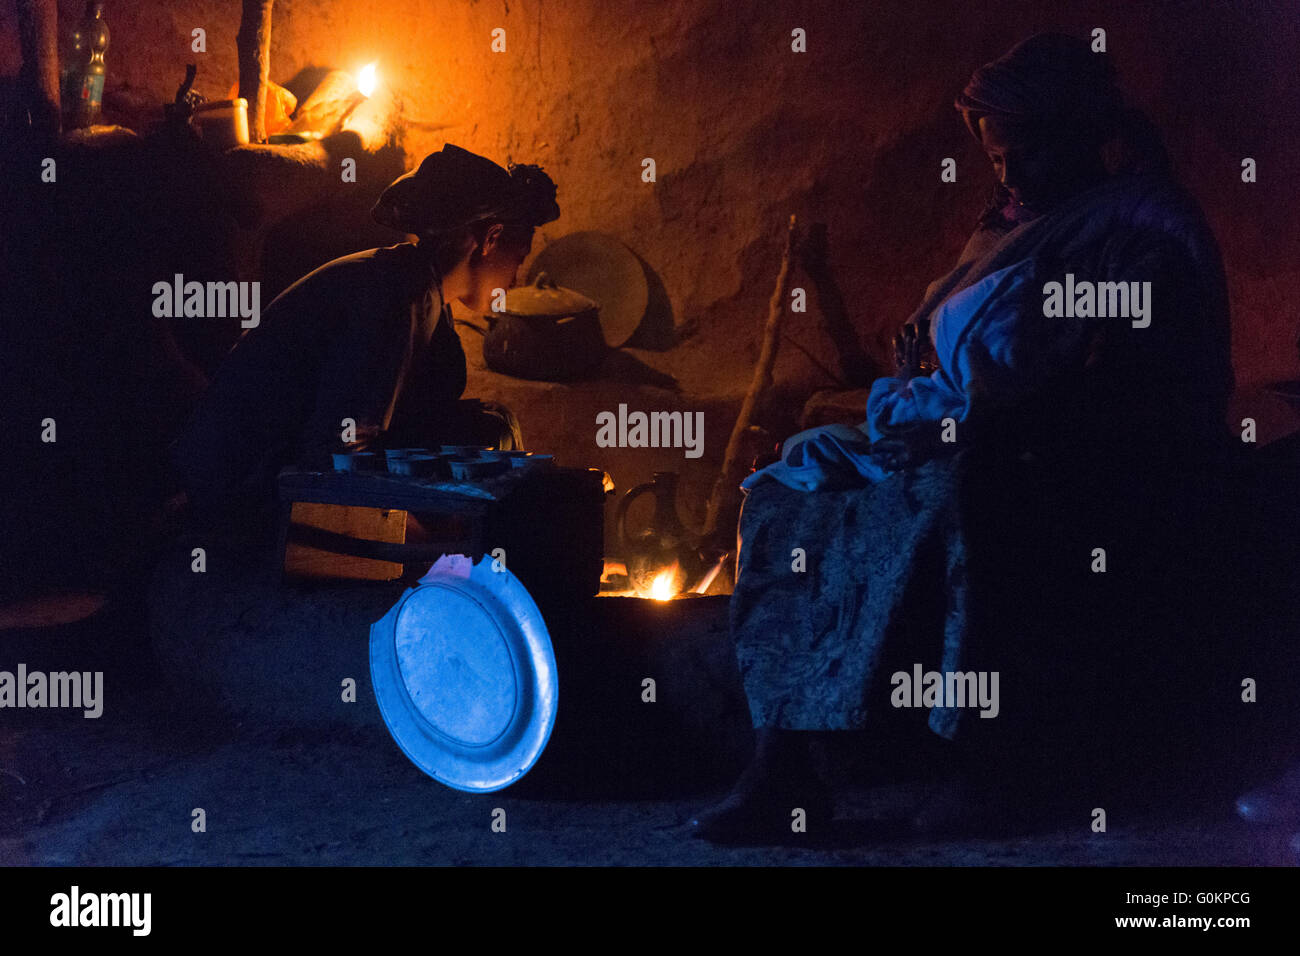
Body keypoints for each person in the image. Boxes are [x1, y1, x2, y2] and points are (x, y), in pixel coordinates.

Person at [691, 33, 1236, 844]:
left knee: (958, 496)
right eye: (995, 158)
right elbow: (973, 349)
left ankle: (990, 764)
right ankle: (784, 764)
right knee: (792, 491)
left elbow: (1112, 376)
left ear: (1082, 134)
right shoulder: (1015, 226)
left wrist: (979, 408)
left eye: (1024, 151)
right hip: (977, 430)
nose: (1008, 174)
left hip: (1101, 456)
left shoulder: (1141, 231)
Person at [170, 144, 560, 537]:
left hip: (259, 475)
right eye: (519, 257)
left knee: (491, 429)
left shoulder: (418, 289)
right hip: (244, 490)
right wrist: (427, 542)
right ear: (491, 239)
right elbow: (335, 454)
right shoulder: (396, 299)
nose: (516, 276)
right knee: (485, 453)